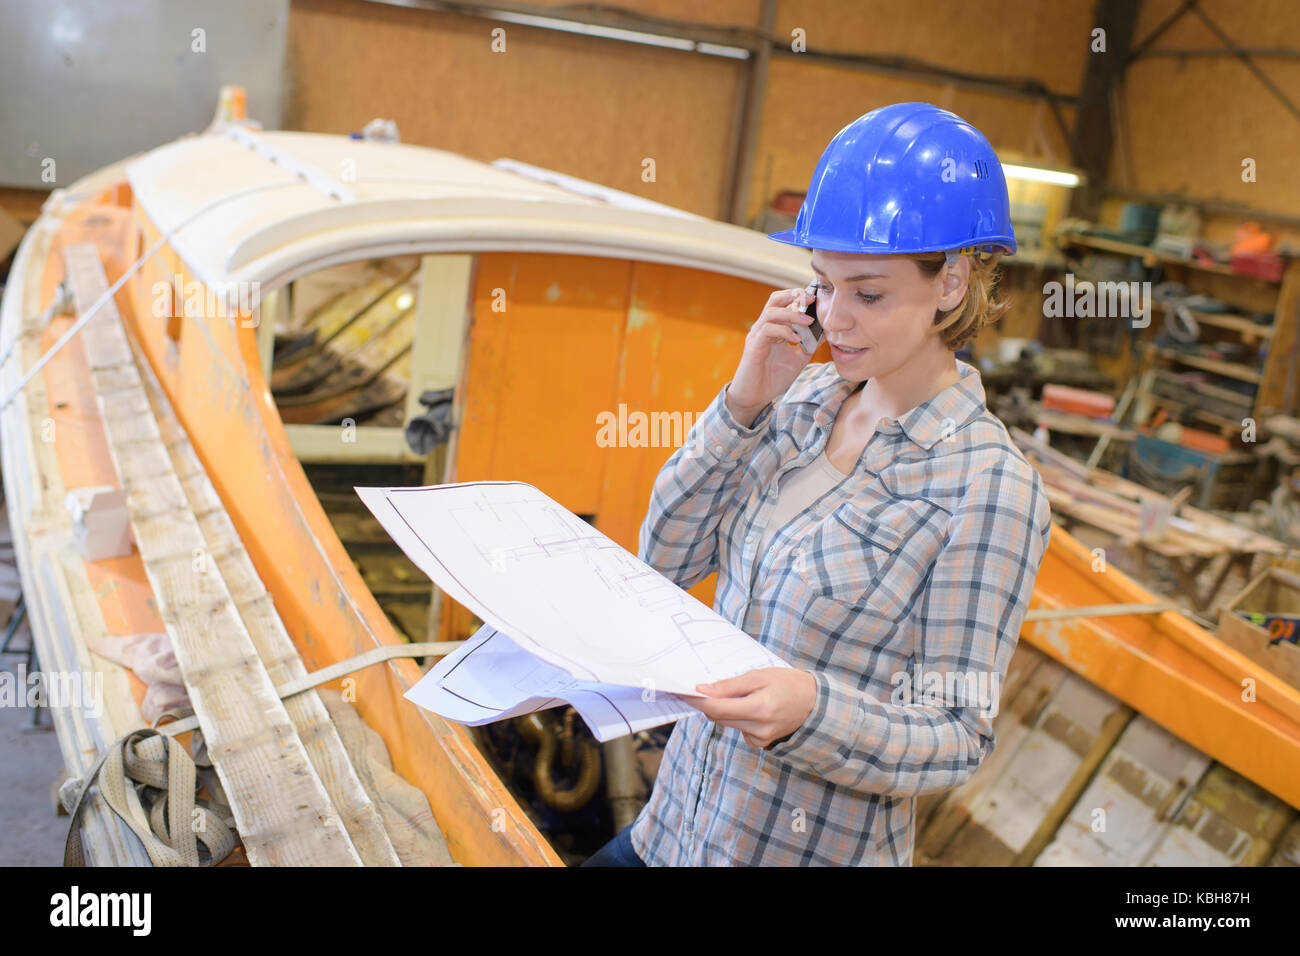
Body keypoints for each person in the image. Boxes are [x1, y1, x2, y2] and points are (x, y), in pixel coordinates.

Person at [582, 101, 1052, 867]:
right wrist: (742, 403)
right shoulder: (798, 403)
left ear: (952, 283)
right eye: (821, 286)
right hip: (672, 833)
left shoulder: (988, 486)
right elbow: (666, 557)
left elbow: (956, 737)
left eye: (867, 294)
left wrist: (814, 712)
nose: (835, 319)